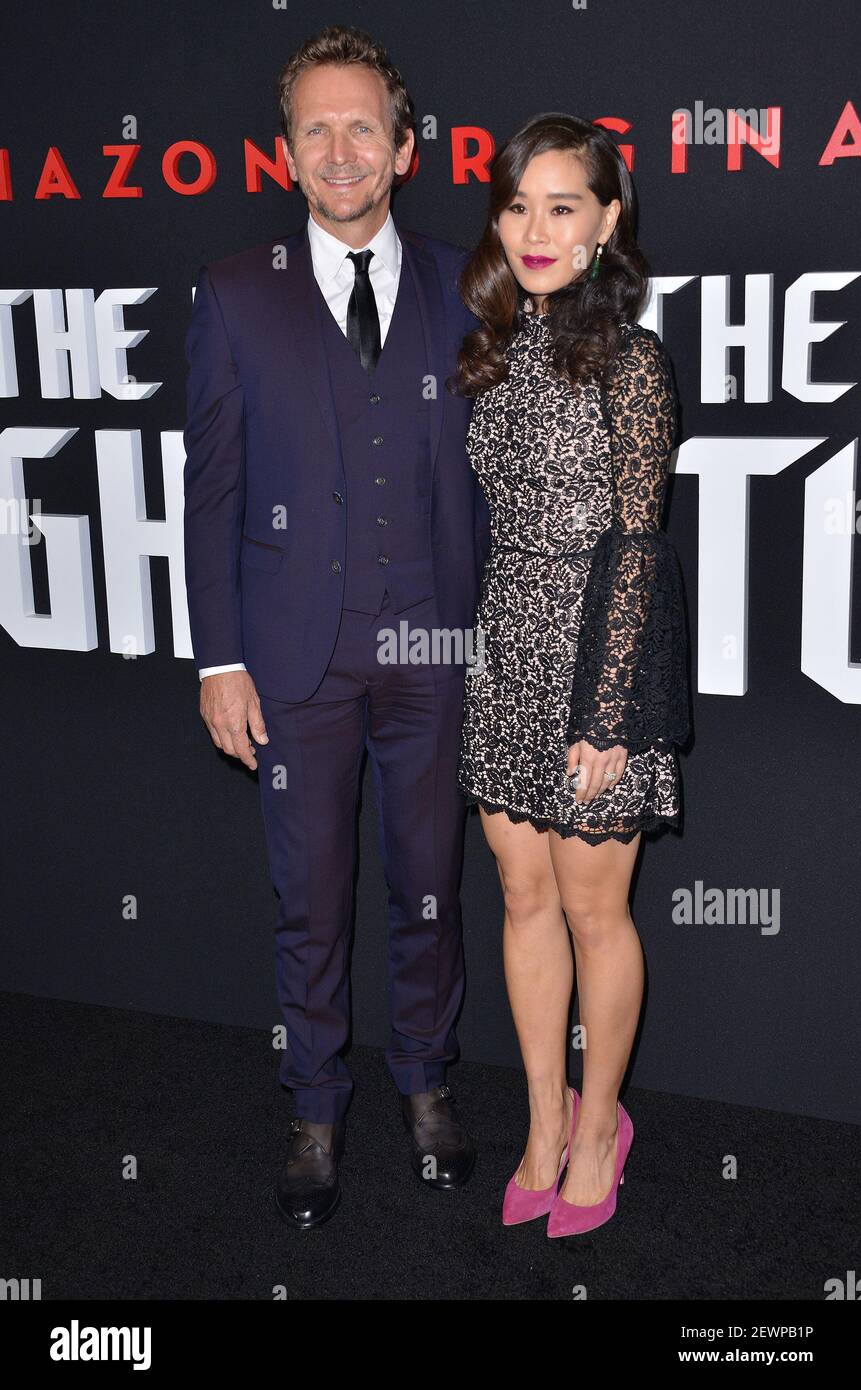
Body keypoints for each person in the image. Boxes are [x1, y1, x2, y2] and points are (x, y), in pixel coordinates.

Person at [182, 24, 491, 1229]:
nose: (340, 147)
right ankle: (314, 1103)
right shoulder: (234, 290)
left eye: (363, 123)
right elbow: (208, 490)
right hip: (292, 659)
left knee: (429, 884)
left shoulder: (471, 286)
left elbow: (492, 483)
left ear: (405, 147)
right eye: (315, 126)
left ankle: (424, 1085)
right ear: (284, 154)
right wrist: (218, 656)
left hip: (433, 654)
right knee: (308, 897)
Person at [454, 113, 690, 1236]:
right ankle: (541, 1120)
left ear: (605, 223)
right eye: (517, 205)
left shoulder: (631, 362)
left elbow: (639, 541)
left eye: (562, 205)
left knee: (598, 912)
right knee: (517, 892)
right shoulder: (491, 348)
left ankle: (601, 1123)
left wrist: (604, 714)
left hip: (600, 657)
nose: (535, 228)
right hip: (506, 649)